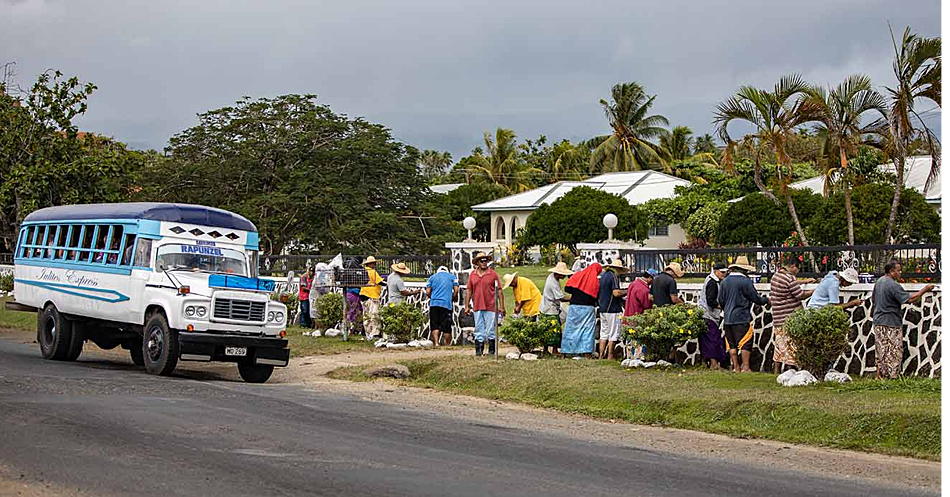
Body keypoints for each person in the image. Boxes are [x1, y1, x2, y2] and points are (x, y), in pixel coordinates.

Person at [871, 260, 935, 379]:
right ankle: (893, 377)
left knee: (881, 351)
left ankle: (881, 377)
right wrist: (925, 289)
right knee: (894, 351)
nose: (900, 273)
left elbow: (873, 300)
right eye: (898, 270)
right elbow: (909, 299)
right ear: (891, 271)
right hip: (891, 323)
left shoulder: (879, 282)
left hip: (878, 321)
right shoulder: (892, 285)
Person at [718, 256, 769, 372]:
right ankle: (745, 367)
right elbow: (755, 298)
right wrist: (766, 301)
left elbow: (720, 300)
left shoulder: (724, 282)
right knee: (746, 342)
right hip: (741, 317)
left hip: (727, 319)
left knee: (731, 344)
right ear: (744, 270)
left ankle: (736, 367)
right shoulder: (745, 281)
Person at [769, 260, 816, 374]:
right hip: (788, 318)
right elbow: (800, 295)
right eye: (797, 269)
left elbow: (791, 283)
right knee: (791, 346)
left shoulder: (776, 276)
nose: (797, 271)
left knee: (779, 346)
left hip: (778, 317)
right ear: (793, 267)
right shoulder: (789, 279)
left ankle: (777, 370)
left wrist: (803, 281)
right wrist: (814, 291)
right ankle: (790, 370)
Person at [463, 253, 505, 356]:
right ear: (477, 263)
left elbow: (499, 290)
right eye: (482, 261)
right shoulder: (473, 274)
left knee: (491, 329)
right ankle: (479, 351)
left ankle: (491, 351)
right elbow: (469, 291)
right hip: (477, 306)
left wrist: (502, 306)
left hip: (490, 306)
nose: (484, 263)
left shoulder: (492, 274)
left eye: (486, 260)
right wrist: (467, 306)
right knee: (478, 329)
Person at [561, 262, 602, 358]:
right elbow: (596, 296)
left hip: (574, 307)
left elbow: (567, 288)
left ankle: (564, 352)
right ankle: (587, 352)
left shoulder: (578, 275)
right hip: (587, 308)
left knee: (570, 328)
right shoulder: (595, 281)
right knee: (587, 330)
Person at [697, 263, 729, 370]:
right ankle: (714, 364)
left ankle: (712, 363)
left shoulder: (710, 279)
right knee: (713, 340)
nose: (724, 274)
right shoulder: (712, 283)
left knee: (709, 340)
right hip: (708, 315)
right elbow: (711, 301)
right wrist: (723, 306)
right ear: (715, 271)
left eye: (725, 272)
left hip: (705, 315)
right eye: (722, 272)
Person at [597, 260, 628, 360]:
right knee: (613, 333)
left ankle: (601, 355)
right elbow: (616, 293)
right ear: (618, 268)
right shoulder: (613, 276)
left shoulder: (603, 276)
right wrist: (627, 291)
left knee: (604, 333)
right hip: (612, 309)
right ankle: (610, 355)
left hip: (602, 308)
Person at [541, 262, 573, 356]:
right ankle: (554, 350)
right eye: (563, 274)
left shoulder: (552, 277)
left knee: (547, 329)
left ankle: (545, 349)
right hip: (550, 308)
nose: (564, 276)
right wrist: (573, 298)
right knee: (555, 329)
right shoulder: (553, 282)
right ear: (558, 273)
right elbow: (561, 298)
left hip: (547, 306)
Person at [622, 269, 654, 361]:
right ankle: (638, 358)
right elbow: (647, 305)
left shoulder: (633, 284)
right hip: (637, 318)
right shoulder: (643, 289)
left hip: (628, 316)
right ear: (649, 278)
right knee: (638, 341)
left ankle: (630, 358)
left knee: (630, 340)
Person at [426, 266, 459, 346]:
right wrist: (452, 297)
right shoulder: (452, 277)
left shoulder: (432, 277)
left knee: (435, 324)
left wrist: (432, 297)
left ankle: (436, 343)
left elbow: (428, 291)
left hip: (434, 304)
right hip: (446, 304)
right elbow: (456, 289)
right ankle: (447, 344)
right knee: (447, 326)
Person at [360, 257, 385, 340]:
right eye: (373, 263)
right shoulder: (372, 271)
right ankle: (375, 333)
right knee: (374, 315)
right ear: (369, 264)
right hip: (372, 295)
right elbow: (379, 282)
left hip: (363, 294)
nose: (374, 265)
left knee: (366, 315)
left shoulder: (363, 271)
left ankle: (367, 331)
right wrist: (388, 283)